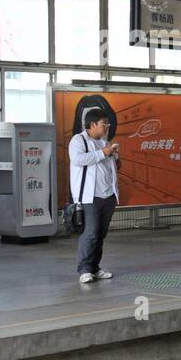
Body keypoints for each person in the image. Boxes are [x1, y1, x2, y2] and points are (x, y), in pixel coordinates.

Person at [68, 107, 120, 284]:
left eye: (107, 123)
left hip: (108, 195)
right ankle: (84, 269)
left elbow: (111, 167)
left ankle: (95, 268)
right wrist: (103, 153)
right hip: (89, 197)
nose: (107, 127)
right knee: (90, 233)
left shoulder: (104, 141)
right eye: (104, 123)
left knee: (101, 234)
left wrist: (115, 156)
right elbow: (78, 159)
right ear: (92, 124)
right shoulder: (78, 140)